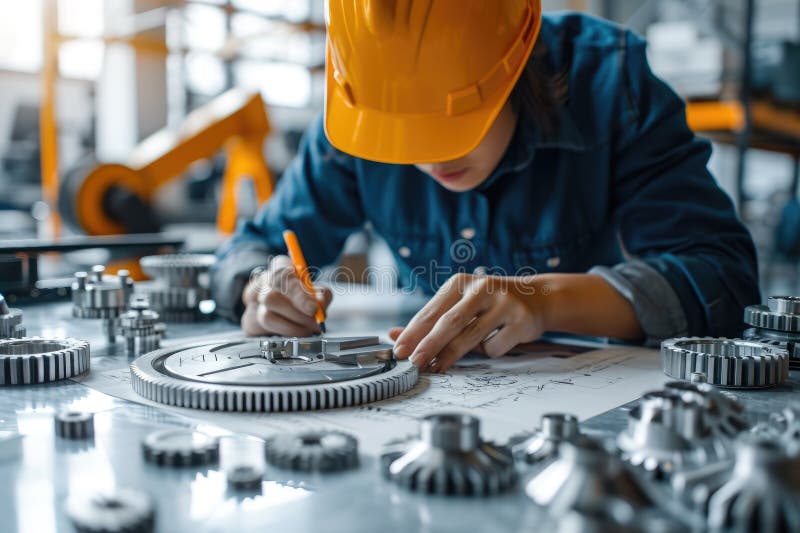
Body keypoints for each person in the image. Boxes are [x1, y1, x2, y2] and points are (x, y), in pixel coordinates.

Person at [212, 1, 759, 374]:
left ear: (518, 60)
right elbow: (251, 248)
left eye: (453, 122)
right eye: (401, 135)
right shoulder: (360, 115)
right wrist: (262, 289)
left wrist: (544, 300)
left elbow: (723, 278)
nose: (429, 157)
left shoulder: (612, 85)